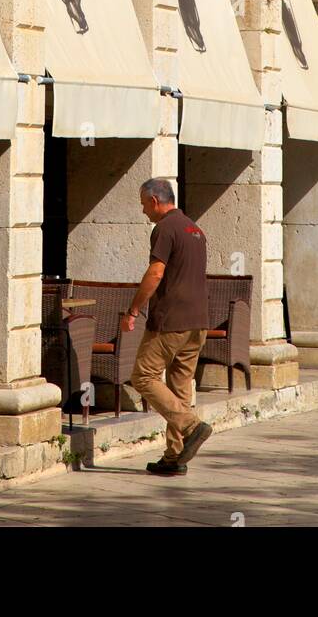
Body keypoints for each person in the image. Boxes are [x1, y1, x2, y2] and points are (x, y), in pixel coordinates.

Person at [122, 178, 212, 476]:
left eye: (143, 203)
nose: (143, 210)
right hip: (198, 321)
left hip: (171, 320)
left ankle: (192, 426)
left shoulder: (165, 228)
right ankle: (175, 457)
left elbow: (156, 272)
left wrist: (134, 308)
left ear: (155, 201)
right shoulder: (195, 229)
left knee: (143, 376)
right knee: (180, 387)